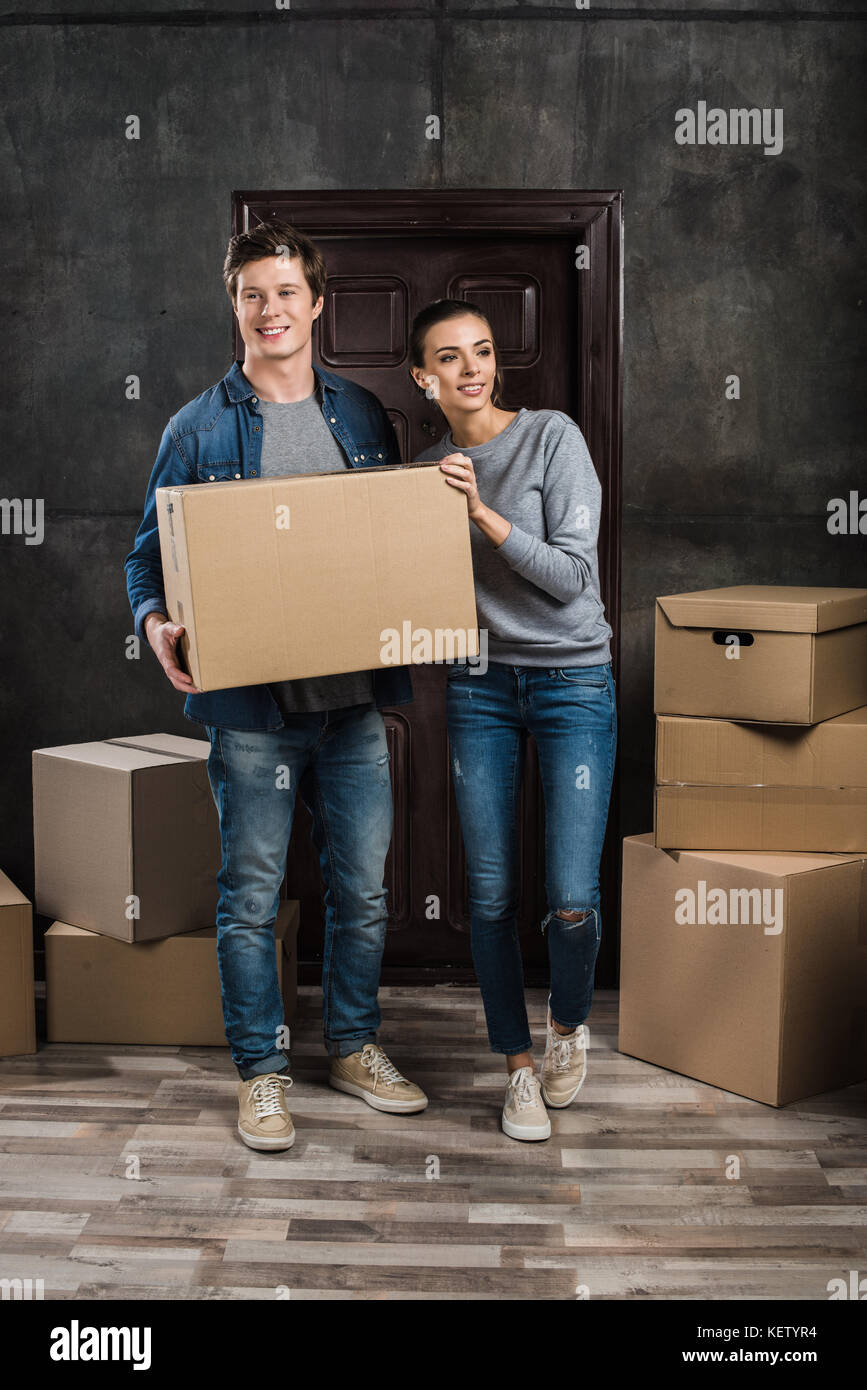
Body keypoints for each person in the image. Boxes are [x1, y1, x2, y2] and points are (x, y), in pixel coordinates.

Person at [124, 221, 428, 1154]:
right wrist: (156, 625)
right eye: (253, 294)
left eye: (287, 292)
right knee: (251, 896)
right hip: (253, 714)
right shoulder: (197, 426)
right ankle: (261, 1072)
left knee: (363, 891)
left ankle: (352, 1045)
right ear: (235, 306)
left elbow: (388, 542)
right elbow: (145, 562)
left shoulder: (365, 414)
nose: (271, 310)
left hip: (351, 705)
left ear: (316, 303)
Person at [411, 299, 616, 1141]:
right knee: (490, 897)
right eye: (450, 359)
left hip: (572, 682)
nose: (472, 369)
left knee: (569, 899)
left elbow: (570, 578)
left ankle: (567, 1026)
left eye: (483, 352)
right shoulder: (423, 469)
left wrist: (482, 514)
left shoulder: (550, 438)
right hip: (481, 688)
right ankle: (516, 1067)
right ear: (424, 379)